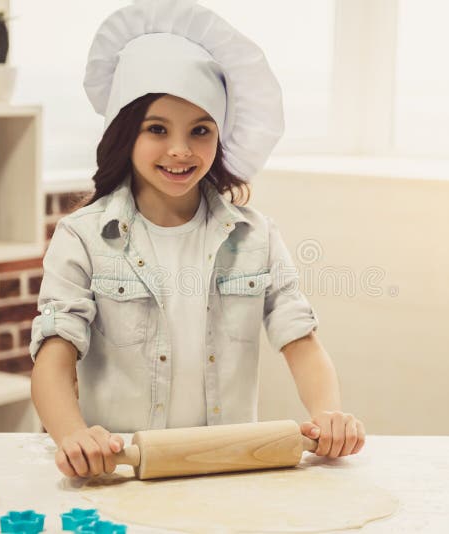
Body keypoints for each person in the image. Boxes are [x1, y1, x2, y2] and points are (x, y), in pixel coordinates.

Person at [29, 0, 365, 478]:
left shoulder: (256, 237)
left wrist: (329, 413)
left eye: (201, 130)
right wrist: (72, 435)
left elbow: (300, 339)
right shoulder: (82, 238)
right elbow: (53, 352)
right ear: (126, 135)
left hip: (228, 471)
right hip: (117, 473)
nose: (180, 150)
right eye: (157, 129)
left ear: (220, 137)